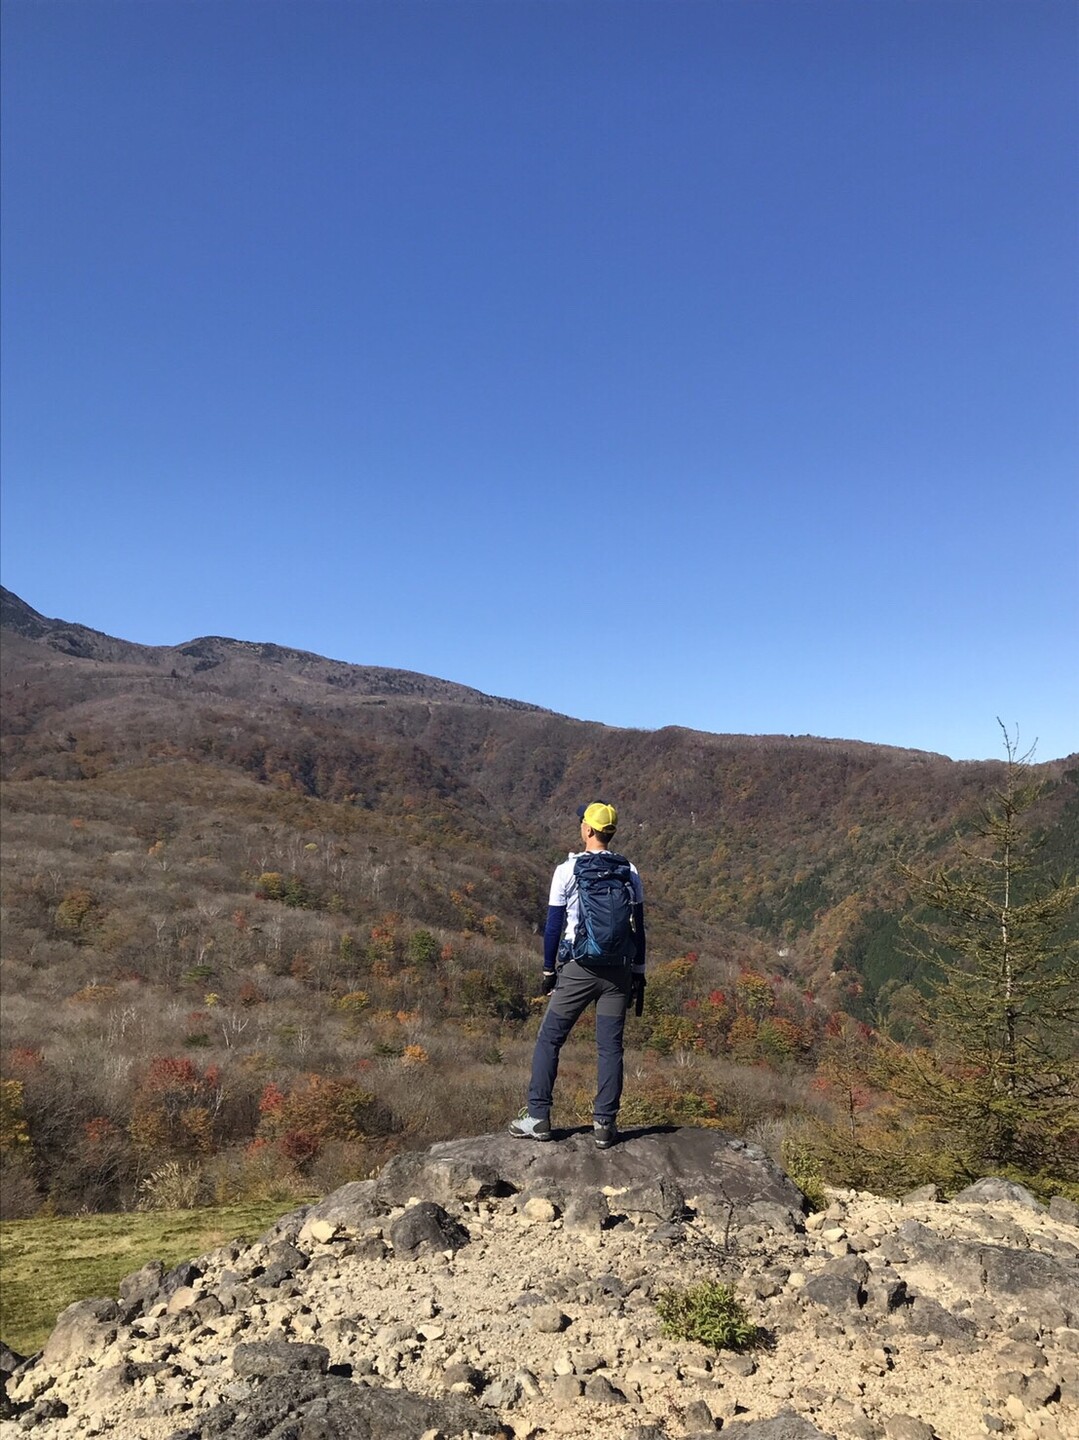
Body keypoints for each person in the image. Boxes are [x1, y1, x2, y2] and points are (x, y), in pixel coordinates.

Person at [509, 801, 646, 1149]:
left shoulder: (567, 870)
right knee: (610, 1047)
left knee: (550, 1039)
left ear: (587, 830)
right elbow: (639, 927)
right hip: (618, 972)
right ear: (611, 832)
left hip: (578, 969)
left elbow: (553, 926)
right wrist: (638, 972)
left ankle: (538, 1117)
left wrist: (548, 970)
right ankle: (605, 1124)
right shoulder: (628, 870)